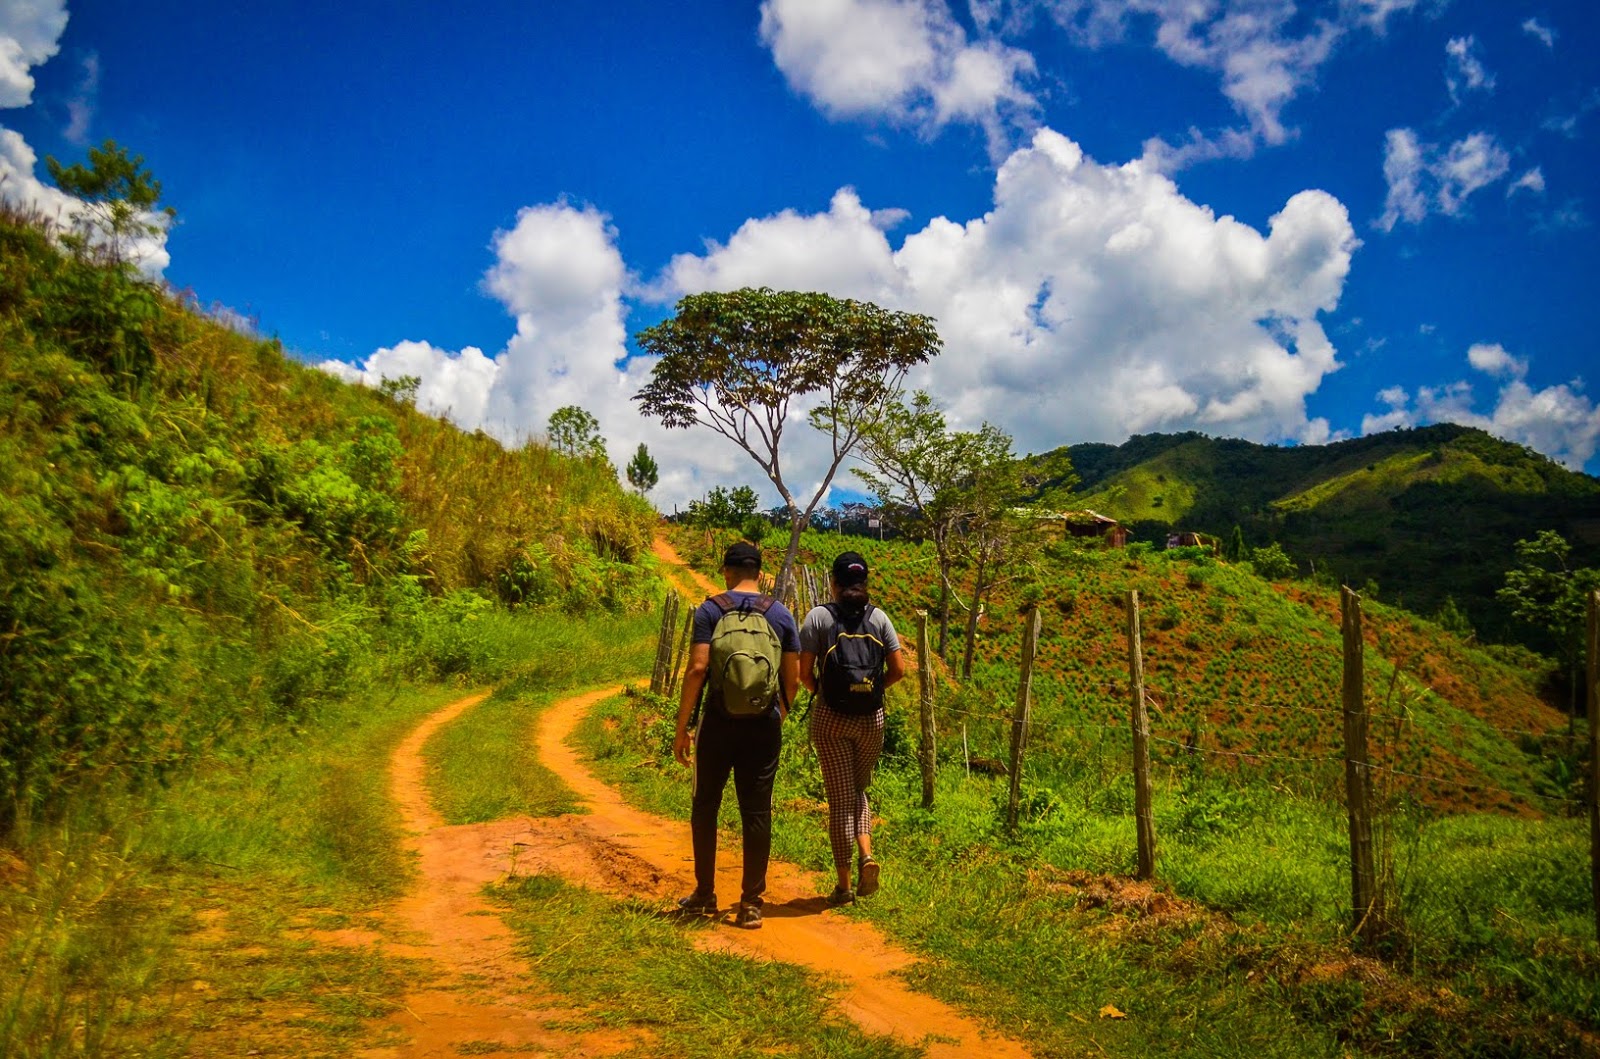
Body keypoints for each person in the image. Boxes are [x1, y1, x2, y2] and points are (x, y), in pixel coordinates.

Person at [673, 541, 800, 930]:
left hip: (718, 721)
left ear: (727, 571)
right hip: (763, 725)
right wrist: (777, 715)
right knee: (756, 811)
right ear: (760, 574)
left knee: (705, 806)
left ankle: (704, 893)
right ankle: (750, 904)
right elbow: (792, 680)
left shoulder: (711, 610)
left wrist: (683, 727)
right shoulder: (780, 614)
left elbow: (697, 669)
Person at [799, 551, 906, 906]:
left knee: (840, 802)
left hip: (831, 720)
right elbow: (898, 670)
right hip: (872, 720)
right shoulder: (879, 618)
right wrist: (871, 691)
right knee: (858, 790)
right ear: (865, 583)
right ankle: (867, 855)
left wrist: (825, 692)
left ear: (833, 582)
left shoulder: (818, 618)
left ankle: (844, 887)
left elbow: (803, 674)